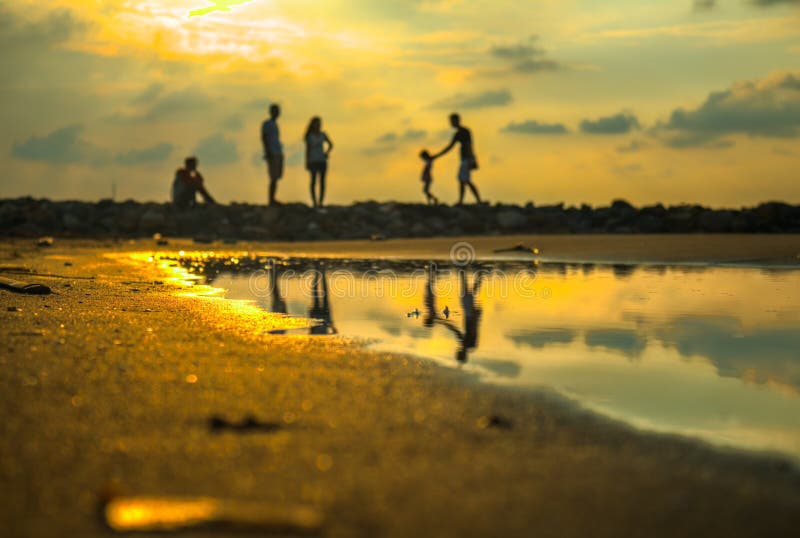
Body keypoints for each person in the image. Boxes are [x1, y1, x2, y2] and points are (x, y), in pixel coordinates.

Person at [431, 113, 483, 205]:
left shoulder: (463, 132)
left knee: (464, 180)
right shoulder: (460, 133)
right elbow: (450, 147)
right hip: (466, 158)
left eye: (452, 121)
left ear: (457, 121)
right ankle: (466, 200)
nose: (451, 123)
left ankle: (472, 201)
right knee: (463, 180)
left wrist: (471, 159)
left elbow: (467, 145)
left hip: (467, 159)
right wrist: (436, 156)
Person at [304, 117, 334, 208]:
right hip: (313, 160)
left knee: (322, 182)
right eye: (316, 123)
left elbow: (331, 144)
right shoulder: (309, 136)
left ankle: (320, 202)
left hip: (322, 160)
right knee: (313, 181)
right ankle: (314, 202)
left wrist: (326, 153)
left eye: (319, 123)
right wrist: (307, 161)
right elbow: (307, 150)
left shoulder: (323, 134)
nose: (318, 125)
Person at [260, 103, 284, 206]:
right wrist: (267, 151)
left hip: (278, 152)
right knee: (273, 177)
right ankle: (271, 199)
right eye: (275, 111)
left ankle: (273, 198)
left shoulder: (275, 124)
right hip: (272, 153)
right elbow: (264, 138)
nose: (277, 113)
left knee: (276, 177)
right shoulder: (267, 124)